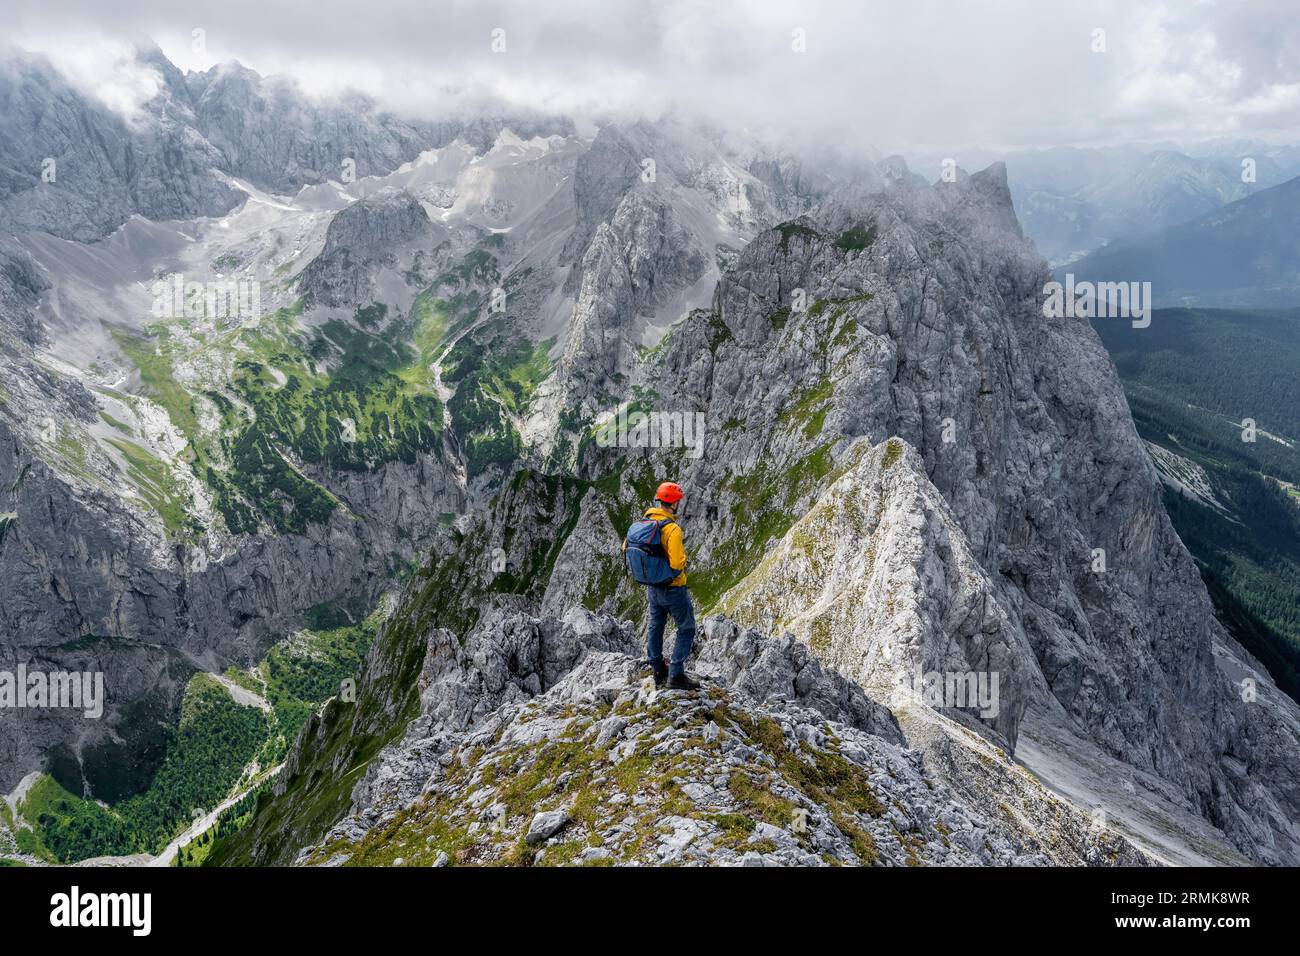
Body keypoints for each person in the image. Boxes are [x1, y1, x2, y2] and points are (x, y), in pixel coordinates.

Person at [627, 481, 700, 690]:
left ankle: (658, 670)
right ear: (674, 503)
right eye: (678, 501)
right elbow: (677, 563)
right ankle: (676, 674)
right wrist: (684, 561)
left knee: (655, 626)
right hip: (673, 588)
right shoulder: (673, 529)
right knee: (686, 628)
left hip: (653, 588)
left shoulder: (645, 522)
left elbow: (627, 546)